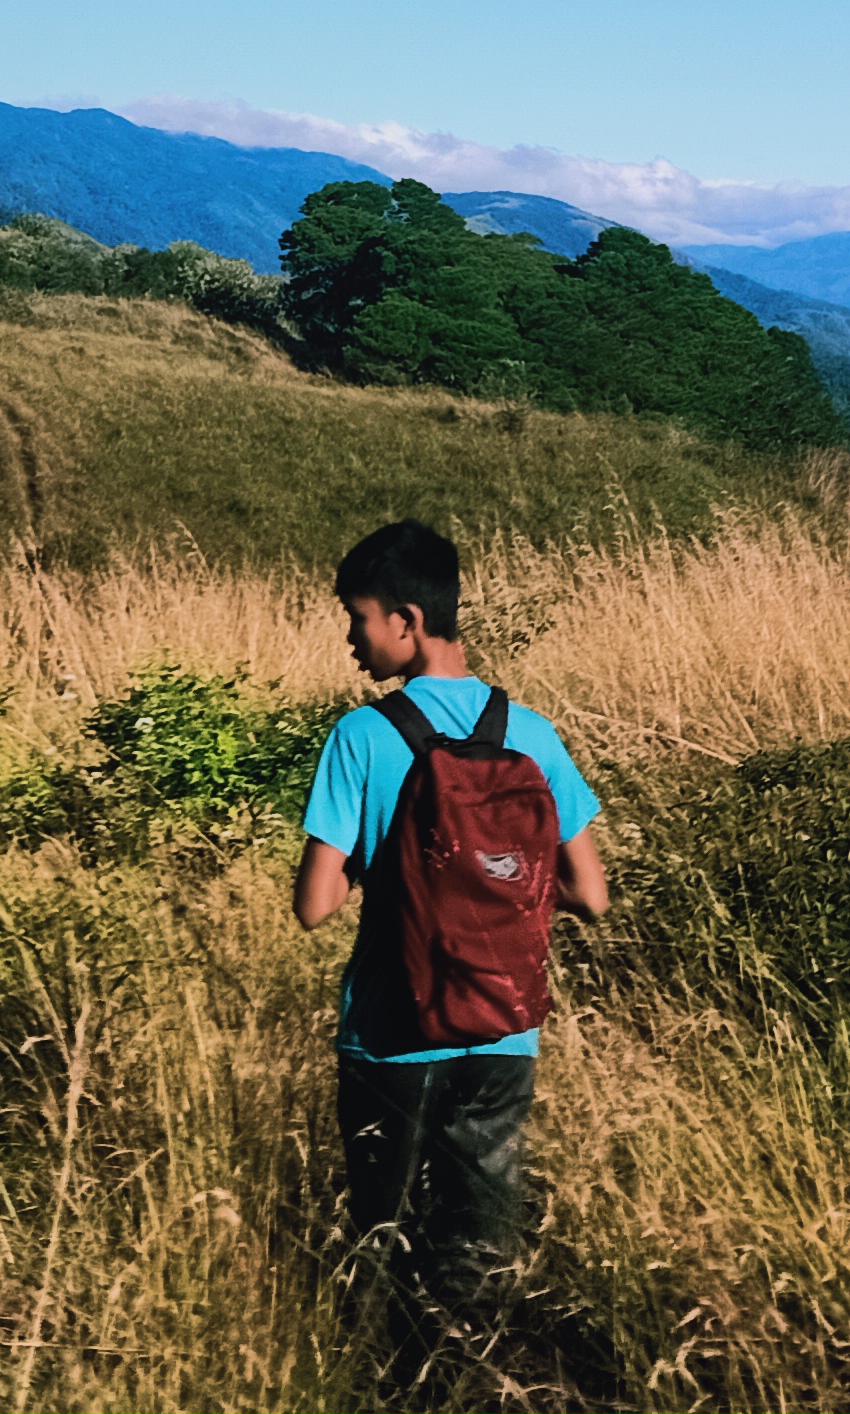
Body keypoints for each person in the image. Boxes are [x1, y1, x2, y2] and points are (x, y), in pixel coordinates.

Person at [293, 519, 609, 1373]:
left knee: (383, 1241)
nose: (351, 640)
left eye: (356, 619)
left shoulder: (362, 737)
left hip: (391, 1035)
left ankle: (390, 1382)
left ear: (405, 619)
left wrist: (385, 858)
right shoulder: (532, 733)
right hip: (503, 1031)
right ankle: (474, 1381)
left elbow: (314, 906)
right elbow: (592, 893)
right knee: (477, 1245)